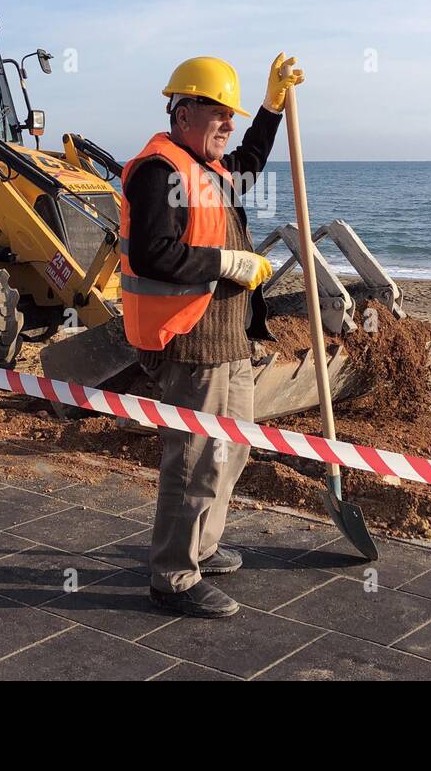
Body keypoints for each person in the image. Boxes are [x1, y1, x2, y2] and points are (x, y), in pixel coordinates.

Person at [120, 53, 304, 618]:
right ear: (183, 111)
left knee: (233, 451)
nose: (227, 123)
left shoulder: (211, 170)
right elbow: (155, 253)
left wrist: (271, 108)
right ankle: (172, 577)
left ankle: (201, 546)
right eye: (218, 112)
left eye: (232, 114)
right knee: (194, 462)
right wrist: (227, 261)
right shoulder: (159, 171)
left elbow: (248, 161)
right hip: (189, 344)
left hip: (229, 342)